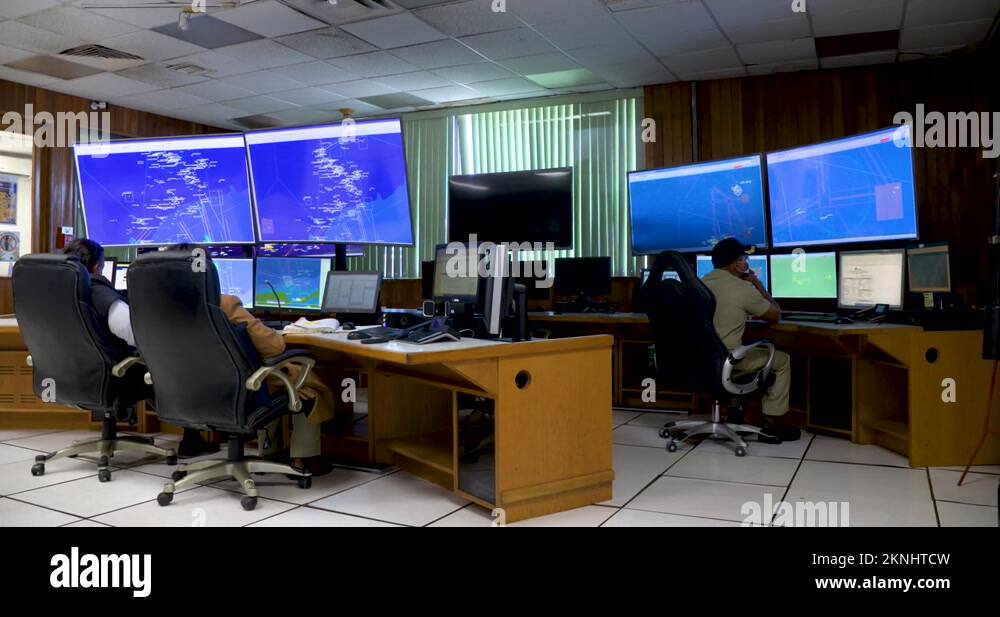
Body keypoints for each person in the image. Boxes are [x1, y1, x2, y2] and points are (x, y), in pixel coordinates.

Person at [166, 245, 334, 475]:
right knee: (305, 383)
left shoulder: (160, 311)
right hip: (237, 393)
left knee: (271, 377)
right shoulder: (224, 304)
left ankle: (269, 450)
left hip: (186, 394)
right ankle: (303, 458)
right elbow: (275, 346)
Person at [62, 239, 219, 458]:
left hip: (70, 375)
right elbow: (138, 336)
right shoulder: (102, 295)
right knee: (171, 366)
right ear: (98, 267)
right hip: (112, 378)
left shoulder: (59, 295)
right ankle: (192, 439)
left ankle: (193, 438)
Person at [701, 237, 799, 443]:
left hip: (701, 360)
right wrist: (758, 284)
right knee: (782, 360)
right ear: (735, 264)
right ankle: (773, 423)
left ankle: (735, 413)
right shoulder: (741, 287)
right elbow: (775, 314)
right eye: (744, 258)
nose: (746, 262)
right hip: (729, 362)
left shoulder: (699, 284)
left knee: (739, 348)